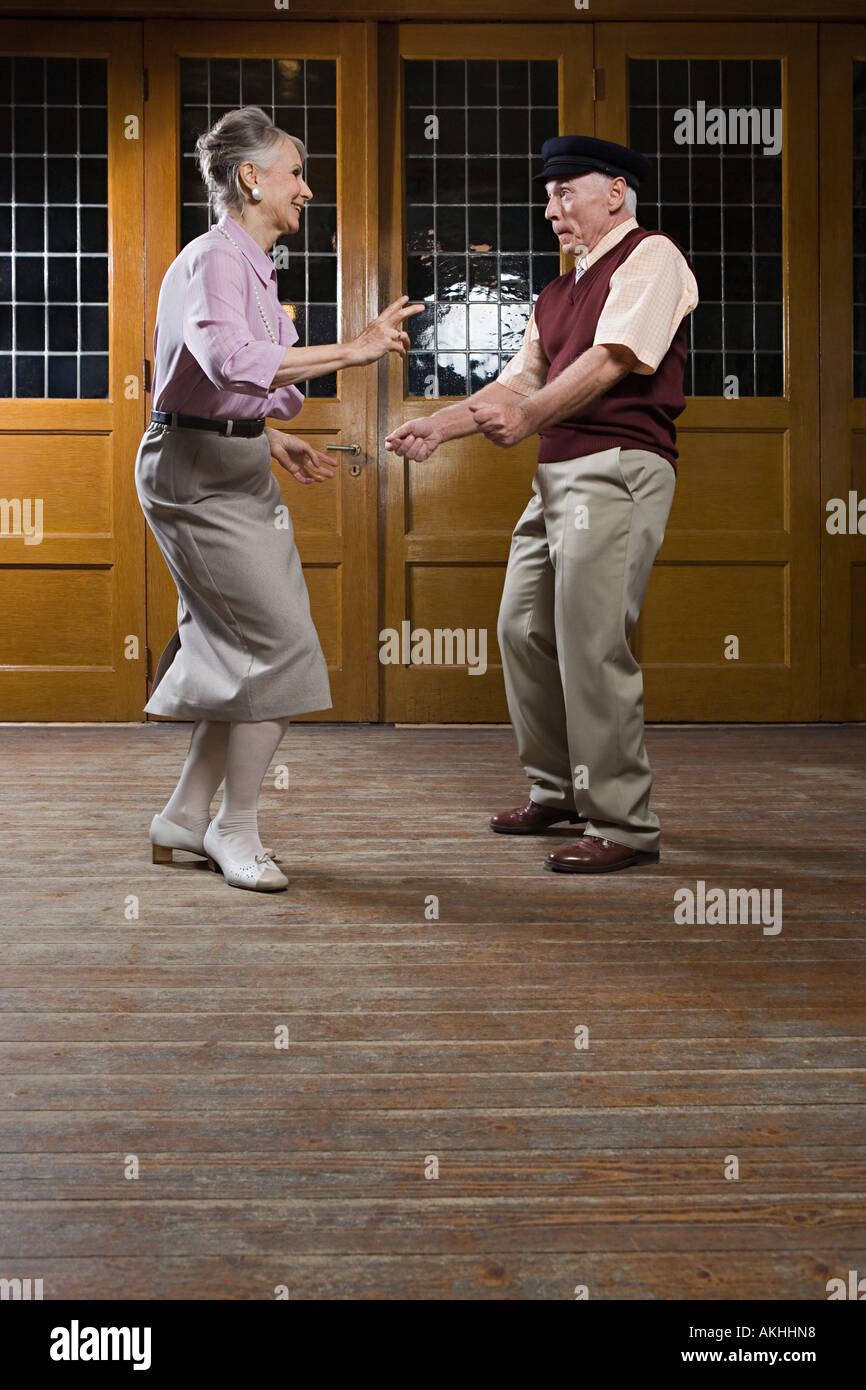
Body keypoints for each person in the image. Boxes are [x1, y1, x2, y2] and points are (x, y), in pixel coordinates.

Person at [386, 136, 698, 874]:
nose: (551, 209)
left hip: (619, 466)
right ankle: (559, 788)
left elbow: (614, 358)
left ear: (616, 192)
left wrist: (528, 420)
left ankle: (623, 823)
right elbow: (517, 383)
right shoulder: (557, 292)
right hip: (557, 473)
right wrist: (441, 425)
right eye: (547, 196)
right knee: (524, 628)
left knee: (593, 642)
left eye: (567, 192)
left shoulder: (651, 256)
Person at [137, 105, 420, 892]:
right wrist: (356, 351)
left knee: (243, 655)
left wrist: (267, 434)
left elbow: (224, 382)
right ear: (250, 178)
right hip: (195, 476)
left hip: (234, 464)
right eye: (295, 172)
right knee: (281, 649)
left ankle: (185, 819)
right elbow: (229, 362)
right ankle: (236, 827)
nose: (306, 187)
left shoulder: (255, 266)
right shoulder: (213, 260)